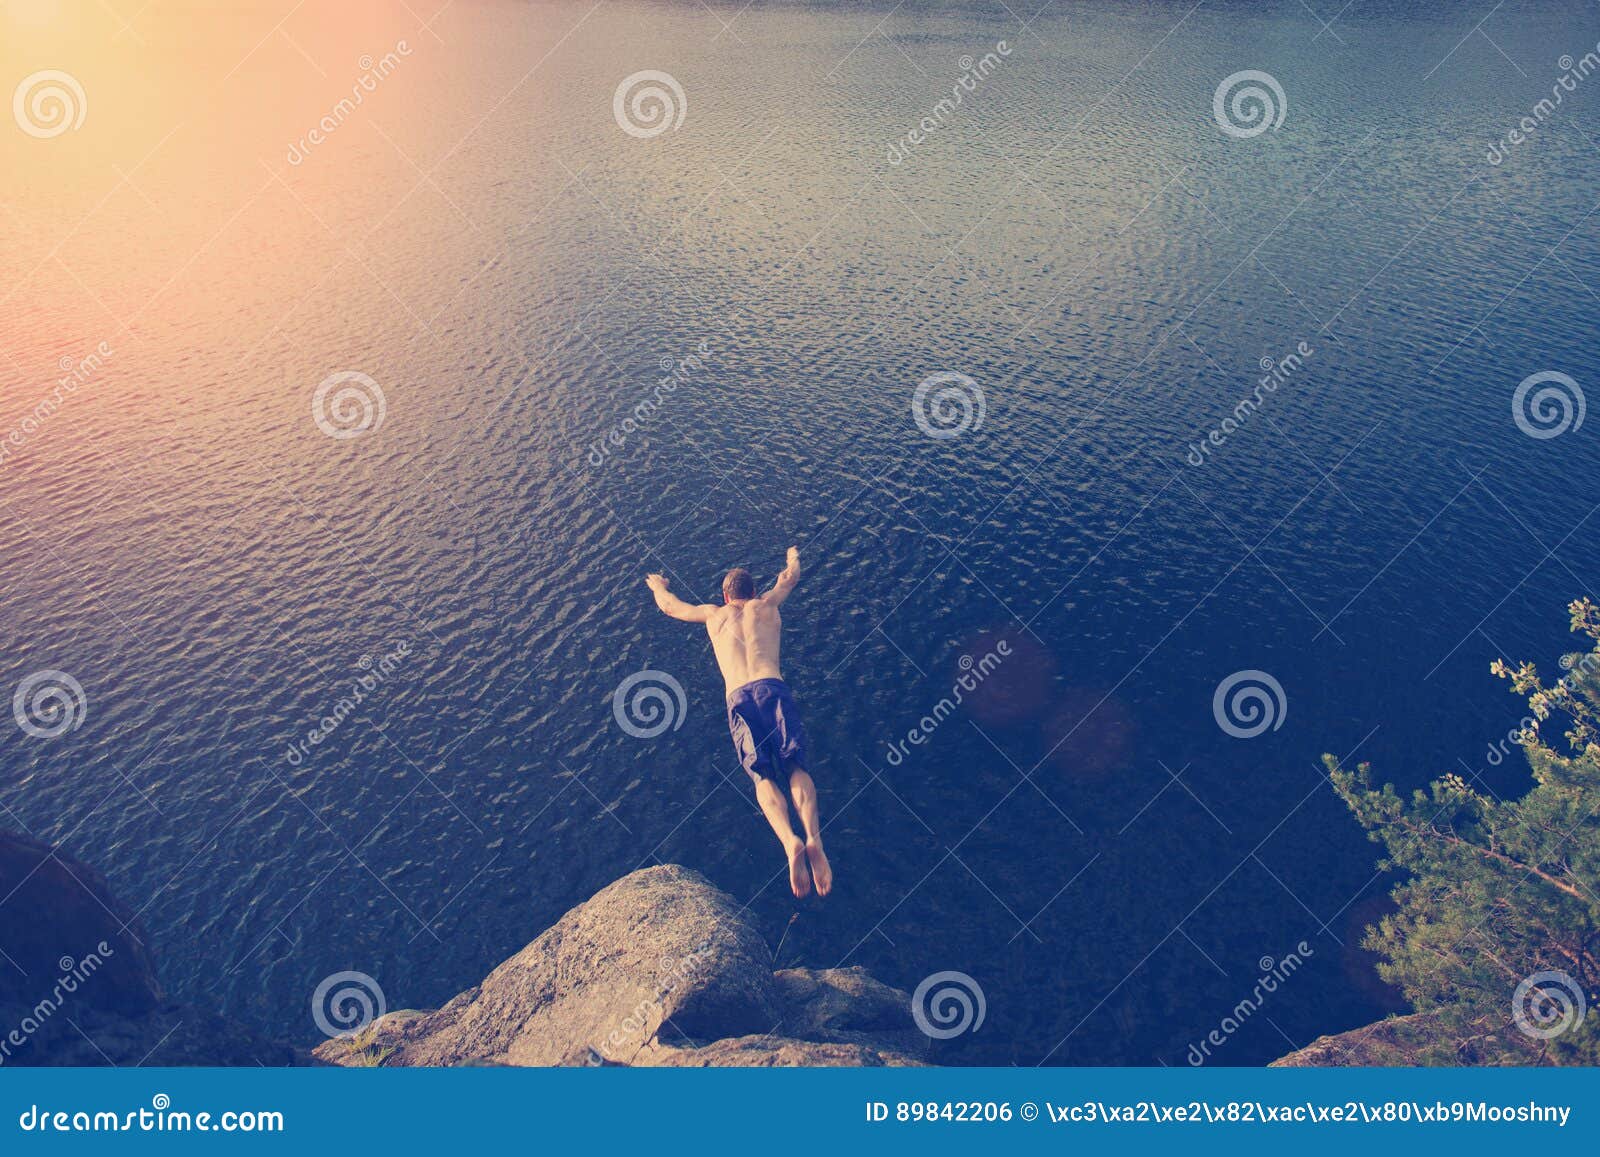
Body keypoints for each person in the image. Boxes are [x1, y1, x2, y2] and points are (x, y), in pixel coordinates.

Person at [645, 548, 832, 898]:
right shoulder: (767, 606)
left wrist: (659, 585)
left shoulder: (714, 615)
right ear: (752, 591)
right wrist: (792, 556)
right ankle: (812, 837)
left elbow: (671, 607)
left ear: (726, 596)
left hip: (739, 699)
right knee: (795, 765)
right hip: (773, 688)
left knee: (761, 775)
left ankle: (789, 841)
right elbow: (790, 578)